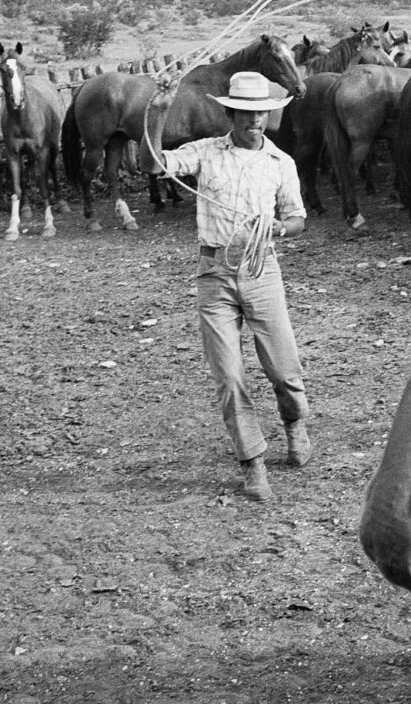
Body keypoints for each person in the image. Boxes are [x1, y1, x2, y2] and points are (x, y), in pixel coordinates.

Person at [159, 71, 312, 502]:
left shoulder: (280, 163)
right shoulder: (206, 153)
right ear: (230, 113)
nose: (254, 120)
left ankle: (295, 422)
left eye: (260, 112)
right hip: (214, 273)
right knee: (229, 375)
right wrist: (156, 111)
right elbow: (153, 163)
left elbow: (298, 217)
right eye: (245, 113)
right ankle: (253, 463)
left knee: (284, 369)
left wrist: (282, 227)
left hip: (262, 269)